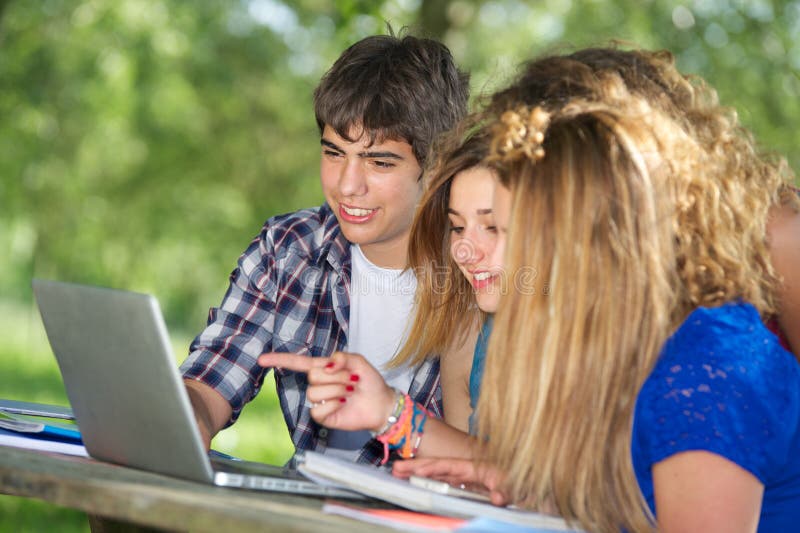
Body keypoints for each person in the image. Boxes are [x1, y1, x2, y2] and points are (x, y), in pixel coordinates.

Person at [397, 75, 800, 532]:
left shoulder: (711, 360)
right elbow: (622, 505)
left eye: (505, 228)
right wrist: (524, 489)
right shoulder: (605, 338)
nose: (468, 251)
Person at [179, 30, 470, 465]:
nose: (346, 186)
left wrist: (391, 415)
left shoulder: (478, 269)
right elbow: (210, 380)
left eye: (379, 162)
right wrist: (188, 421)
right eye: (334, 153)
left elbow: (494, 464)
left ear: (438, 164)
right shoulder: (289, 250)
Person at [260, 129, 505, 461]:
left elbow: (553, 487)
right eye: (458, 228)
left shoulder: (587, 338)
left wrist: (393, 415)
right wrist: (391, 413)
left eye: (492, 227)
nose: (463, 252)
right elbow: (474, 470)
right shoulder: (483, 333)